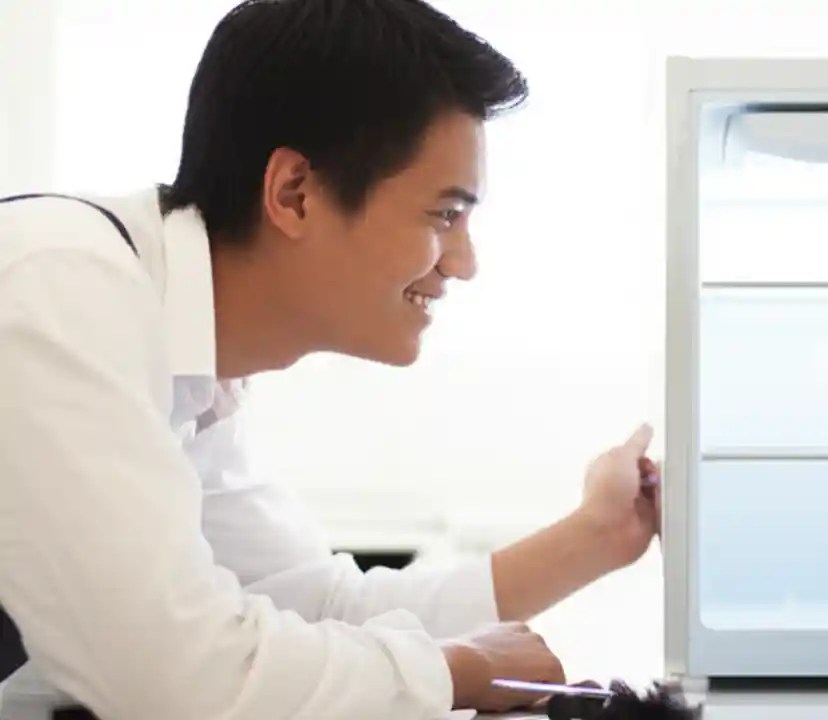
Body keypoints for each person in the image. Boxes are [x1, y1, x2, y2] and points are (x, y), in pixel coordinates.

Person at [0, 0, 662, 718]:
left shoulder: (187, 362)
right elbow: (179, 678)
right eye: (444, 215)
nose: (464, 263)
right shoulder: (57, 289)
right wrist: (457, 671)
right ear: (295, 194)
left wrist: (598, 536)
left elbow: (315, 606)